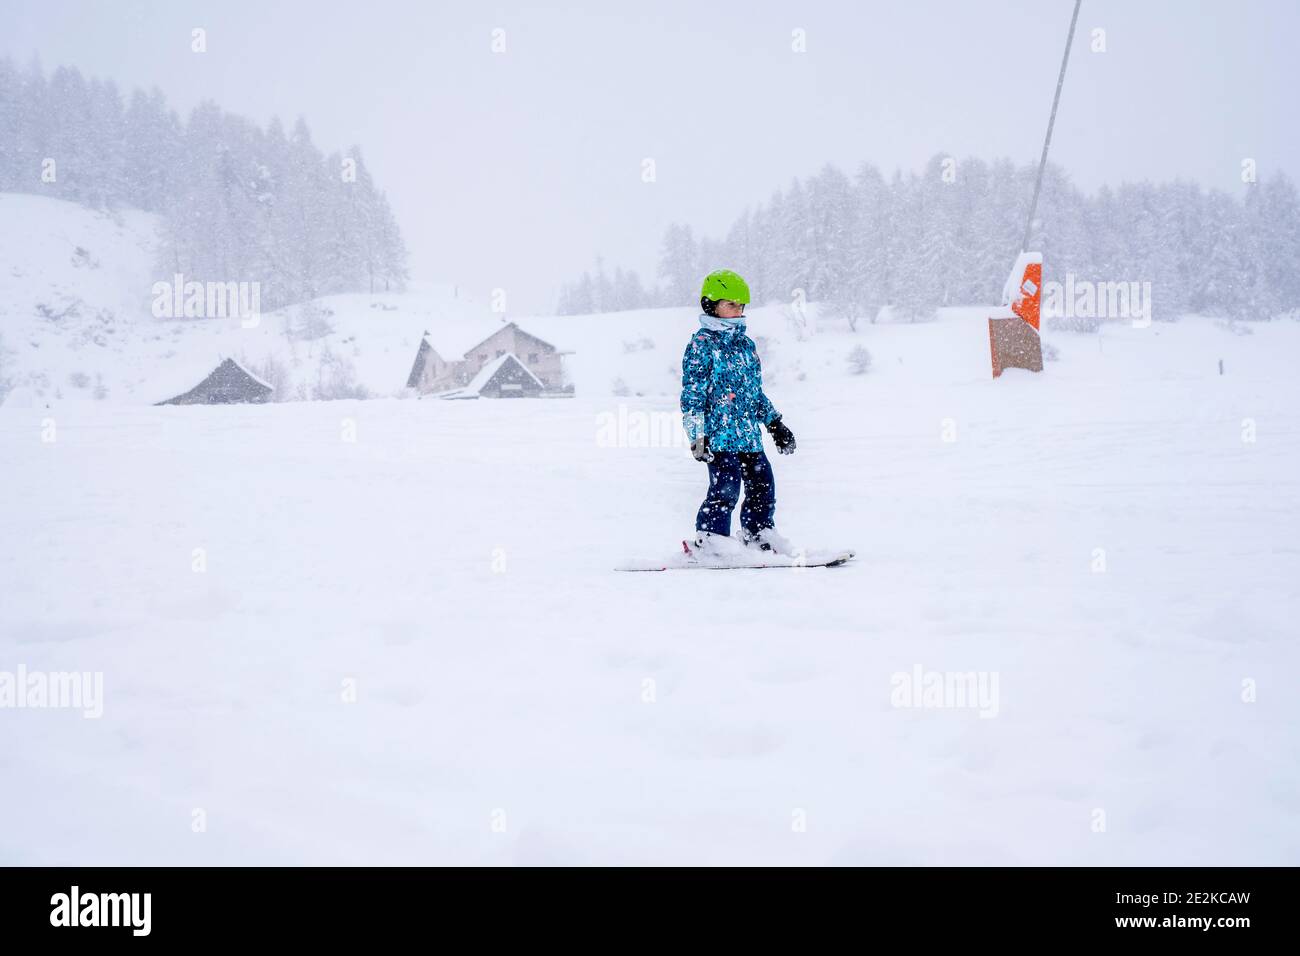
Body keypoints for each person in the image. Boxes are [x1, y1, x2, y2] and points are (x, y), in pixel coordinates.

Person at [680, 269, 797, 557]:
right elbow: (692, 397)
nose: (738, 310)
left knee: (763, 487)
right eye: (730, 304)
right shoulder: (702, 345)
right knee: (725, 490)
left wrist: (775, 423)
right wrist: (697, 436)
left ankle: (759, 535)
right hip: (719, 438)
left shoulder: (746, 346)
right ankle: (711, 540)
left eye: (741, 305)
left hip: (749, 437)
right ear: (711, 305)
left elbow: (753, 393)